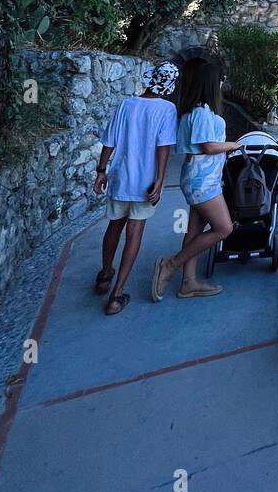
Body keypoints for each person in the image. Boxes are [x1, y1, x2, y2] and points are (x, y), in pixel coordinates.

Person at [150, 58, 241, 302]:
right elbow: (208, 146)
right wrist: (234, 145)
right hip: (203, 182)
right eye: (219, 80)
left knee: (194, 230)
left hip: (201, 178)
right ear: (210, 83)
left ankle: (188, 283)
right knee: (224, 228)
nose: (222, 84)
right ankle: (170, 264)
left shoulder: (197, 110)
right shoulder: (201, 111)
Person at [93, 61, 179, 316]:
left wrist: (101, 170)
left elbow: (110, 140)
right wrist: (160, 180)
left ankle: (105, 273)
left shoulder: (126, 104)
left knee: (114, 226)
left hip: (120, 178)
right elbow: (163, 147)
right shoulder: (167, 109)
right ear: (169, 86)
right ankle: (116, 295)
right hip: (145, 182)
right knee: (135, 232)